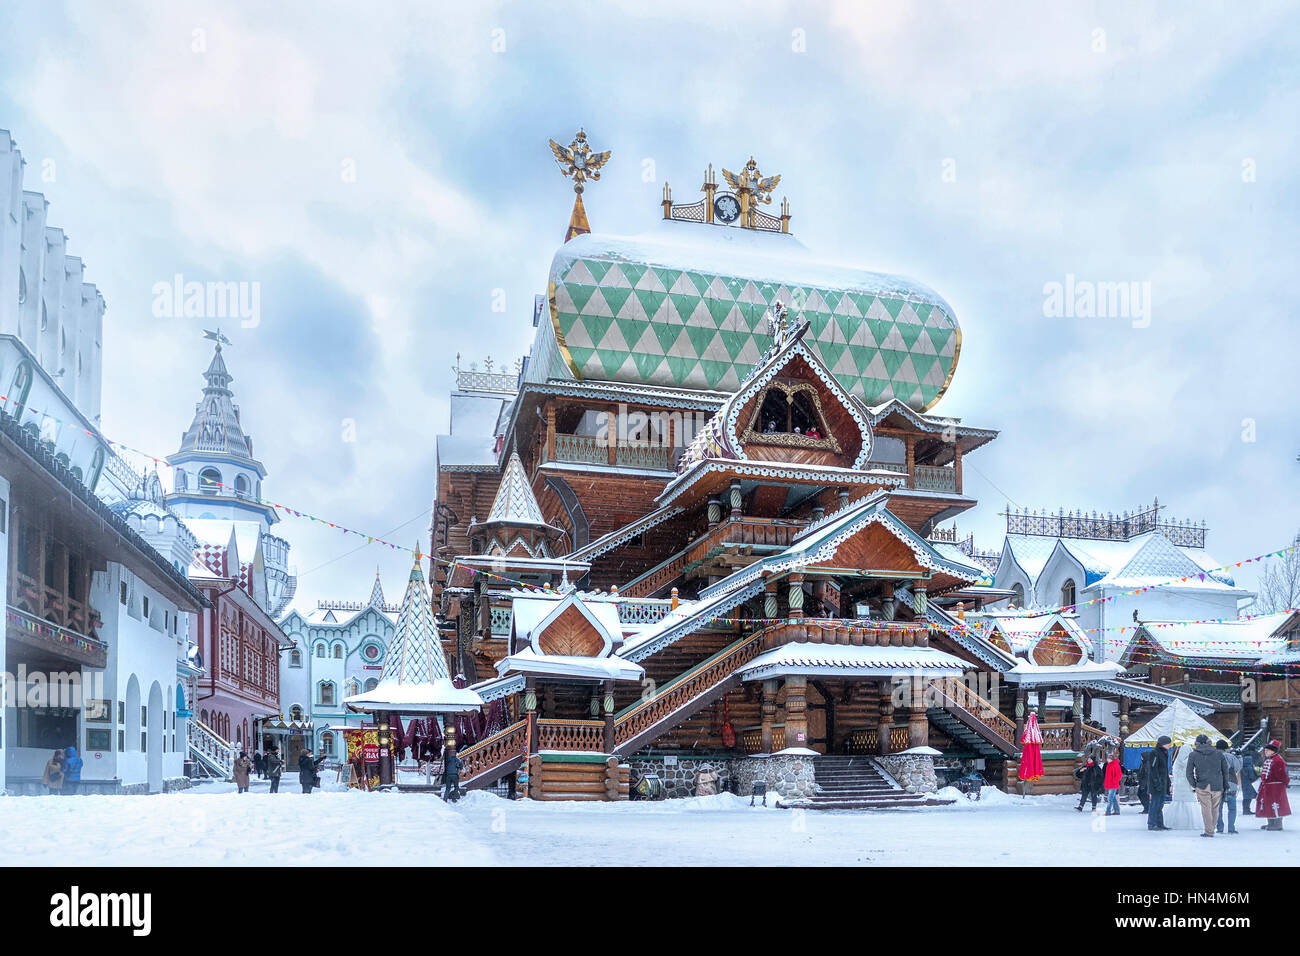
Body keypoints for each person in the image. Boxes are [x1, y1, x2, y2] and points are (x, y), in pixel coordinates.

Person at [1185, 733, 1230, 837]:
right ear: (1209, 742)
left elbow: (1189, 772)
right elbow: (1225, 771)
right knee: (1215, 808)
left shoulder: (1193, 754)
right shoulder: (1219, 754)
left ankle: (1209, 830)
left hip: (1202, 784)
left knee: (1206, 808)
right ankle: (1211, 828)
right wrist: (1225, 784)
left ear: (1196, 743)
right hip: (1217, 784)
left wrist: (1194, 784)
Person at [1256, 738, 1291, 831]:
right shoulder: (1271, 759)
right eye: (1265, 750)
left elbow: (1282, 775)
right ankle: (1271, 823)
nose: (1265, 752)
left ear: (1273, 751)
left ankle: (1277, 824)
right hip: (1268, 787)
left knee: (1276, 804)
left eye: (1268, 750)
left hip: (1276, 787)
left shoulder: (1278, 760)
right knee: (1268, 804)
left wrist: (1286, 782)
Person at [1146, 736, 1172, 830]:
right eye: (1169, 743)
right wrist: (1157, 783)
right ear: (1163, 743)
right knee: (1155, 804)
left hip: (1162, 783)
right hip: (1156, 784)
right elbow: (1153, 769)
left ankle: (1159, 823)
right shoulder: (1155, 753)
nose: (1170, 745)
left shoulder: (1164, 753)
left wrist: (1168, 782)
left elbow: (1164, 771)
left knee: (1160, 805)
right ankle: (1151, 823)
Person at [1215, 739, 1241, 834]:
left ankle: (1220, 827)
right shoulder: (1231, 756)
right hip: (1231, 783)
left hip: (1217, 784)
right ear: (1226, 748)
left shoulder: (1213, 756)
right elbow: (1238, 767)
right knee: (1232, 808)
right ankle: (1231, 828)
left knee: (1218, 808)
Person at [1102, 749, 1123, 815]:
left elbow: (1119, 775)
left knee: (1110, 799)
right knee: (1113, 798)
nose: (1107, 760)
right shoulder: (1109, 765)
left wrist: (1113, 781)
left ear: (1111, 759)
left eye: (1108, 758)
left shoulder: (1115, 765)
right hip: (1110, 784)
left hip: (1113, 784)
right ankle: (1117, 811)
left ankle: (1108, 811)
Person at [1240, 746, 1259, 814]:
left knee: (1245, 797)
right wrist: (1256, 776)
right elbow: (1252, 777)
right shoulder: (1249, 768)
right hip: (1250, 784)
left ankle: (1245, 809)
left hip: (1244, 783)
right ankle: (1247, 810)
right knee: (1249, 797)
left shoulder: (1242, 767)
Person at [1136, 747, 1156, 813]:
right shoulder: (1143, 763)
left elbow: (1148, 775)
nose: (1141, 758)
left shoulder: (1147, 764)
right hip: (1143, 783)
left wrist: (1145, 784)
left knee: (1143, 796)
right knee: (1141, 795)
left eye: (1142, 756)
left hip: (1145, 784)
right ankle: (1146, 808)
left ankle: (1147, 808)